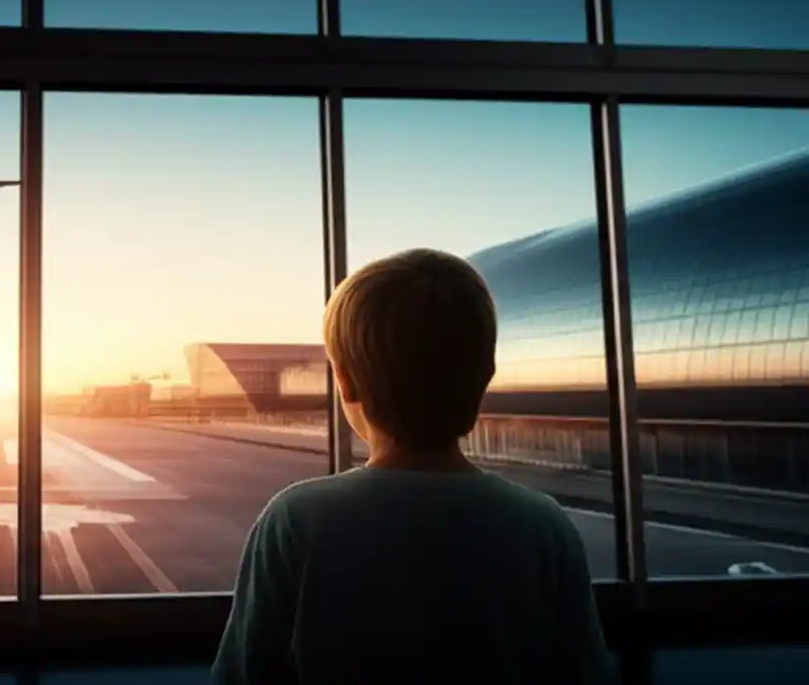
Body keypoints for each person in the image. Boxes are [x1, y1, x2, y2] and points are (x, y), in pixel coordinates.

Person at [210, 248, 615, 684]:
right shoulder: (545, 526)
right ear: (485, 375)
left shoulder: (295, 520)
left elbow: (244, 674)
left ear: (345, 381)